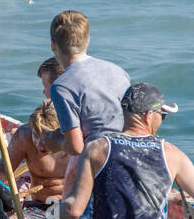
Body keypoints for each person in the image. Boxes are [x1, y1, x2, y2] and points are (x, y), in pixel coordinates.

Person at [16, 84, 194, 219]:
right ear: (148, 116)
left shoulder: (97, 149)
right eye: (163, 115)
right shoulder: (172, 154)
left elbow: (73, 210)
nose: (162, 121)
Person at [47, 10, 131, 155]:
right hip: (128, 150)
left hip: (99, 158)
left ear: (53, 44)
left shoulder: (62, 86)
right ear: (88, 40)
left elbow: (76, 148)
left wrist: (56, 143)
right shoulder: (119, 71)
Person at [3, 100, 69, 208]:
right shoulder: (24, 135)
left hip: (70, 208)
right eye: (35, 135)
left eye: (46, 138)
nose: (39, 145)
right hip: (38, 204)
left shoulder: (79, 144)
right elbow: (3, 170)